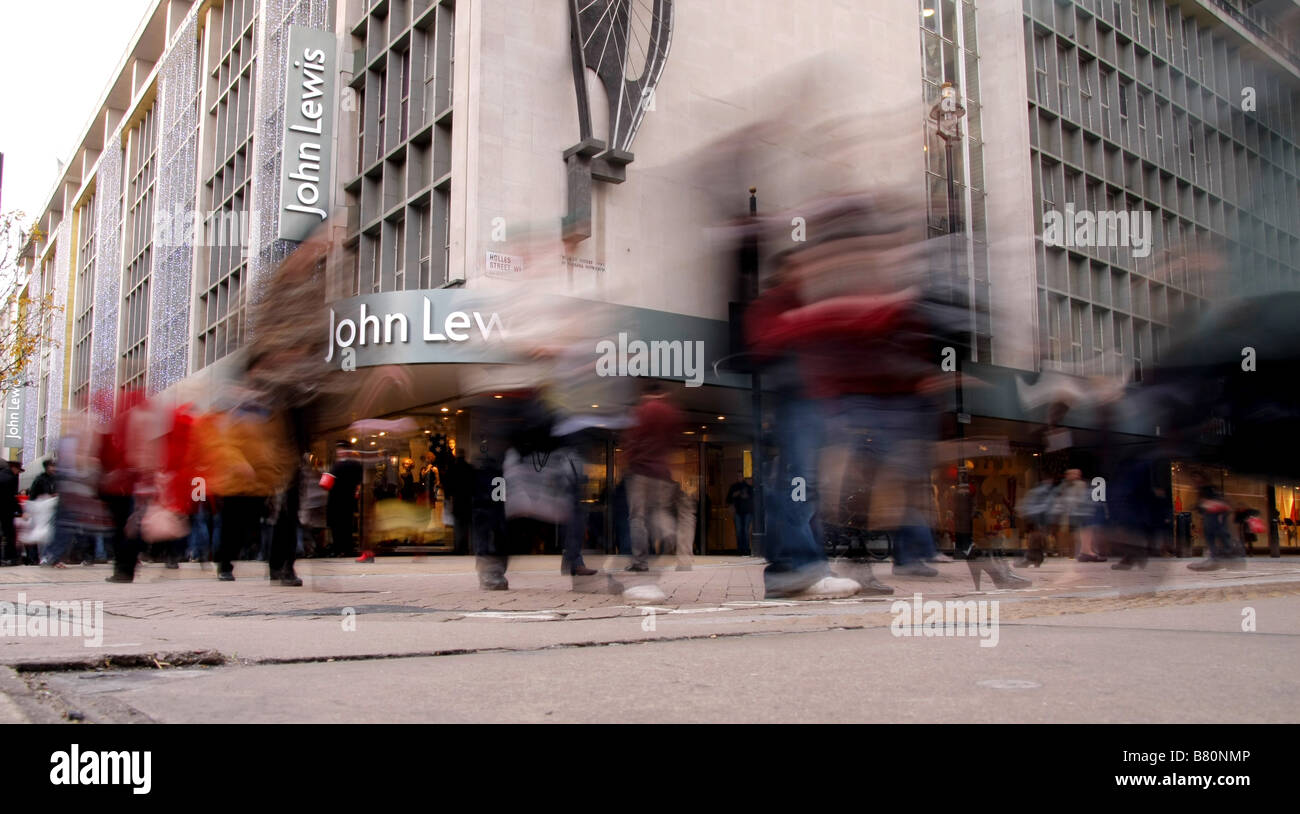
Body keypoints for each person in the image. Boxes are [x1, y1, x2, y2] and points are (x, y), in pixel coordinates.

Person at [324, 441, 364, 557]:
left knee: (340, 525)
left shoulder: (339, 465)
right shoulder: (354, 464)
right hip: (345, 498)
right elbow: (358, 479)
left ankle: (340, 548)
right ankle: (345, 548)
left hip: (340, 498)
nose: (340, 452)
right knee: (344, 525)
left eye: (341, 450)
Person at [725, 474, 754, 556]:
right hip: (738, 512)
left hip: (747, 511)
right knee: (739, 531)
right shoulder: (734, 487)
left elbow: (753, 498)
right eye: (738, 476)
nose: (740, 477)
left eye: (741, 476)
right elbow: (728, 499)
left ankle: (746, 549)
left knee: (745, 531)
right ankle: (741, 549)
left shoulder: (748, 487)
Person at [0, 460, 22, 566]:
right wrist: (20, 510)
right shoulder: (12, 478)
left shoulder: (1, 474)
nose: (18, 473)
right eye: (18, 471)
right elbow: (11, 496)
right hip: (6, 510)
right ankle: (10, 557)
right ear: (14, 468)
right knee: (9, 534)